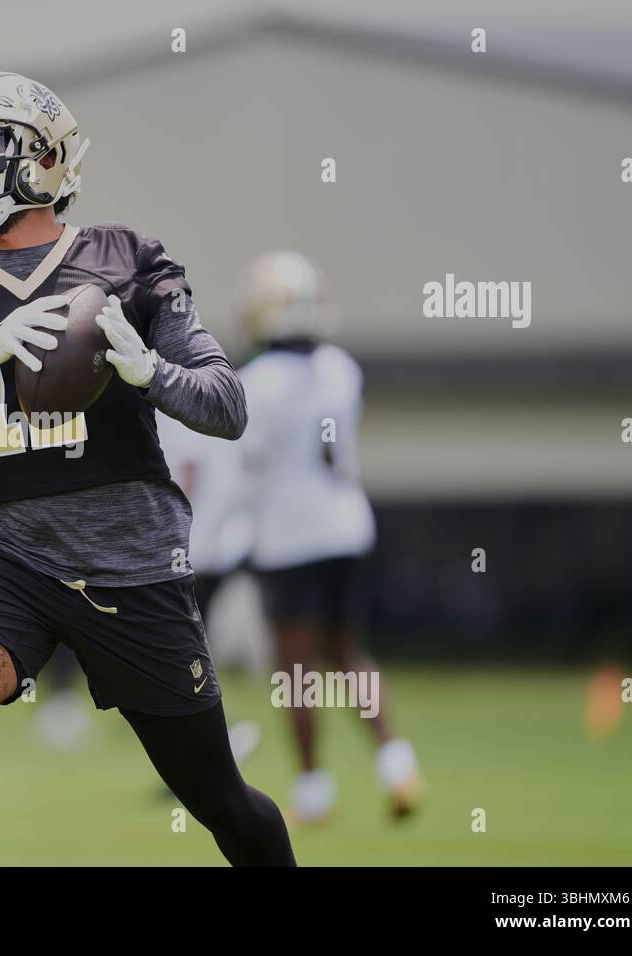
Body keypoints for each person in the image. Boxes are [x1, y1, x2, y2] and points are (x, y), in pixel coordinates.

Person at [0, 73, 294, 866]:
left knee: (221, 799)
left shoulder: (130, 258)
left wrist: (149, 371)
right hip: (1, 554)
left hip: (129, 560)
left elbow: (227, 405)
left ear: (43, 158)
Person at [230, 250, 423, 822]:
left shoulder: (257, 382)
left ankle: (314, 791)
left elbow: (248, 463)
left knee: (294, 671)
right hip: (348, 526)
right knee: (347, 652)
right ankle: (397, 763)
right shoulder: (342, 367)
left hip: (291, 536)